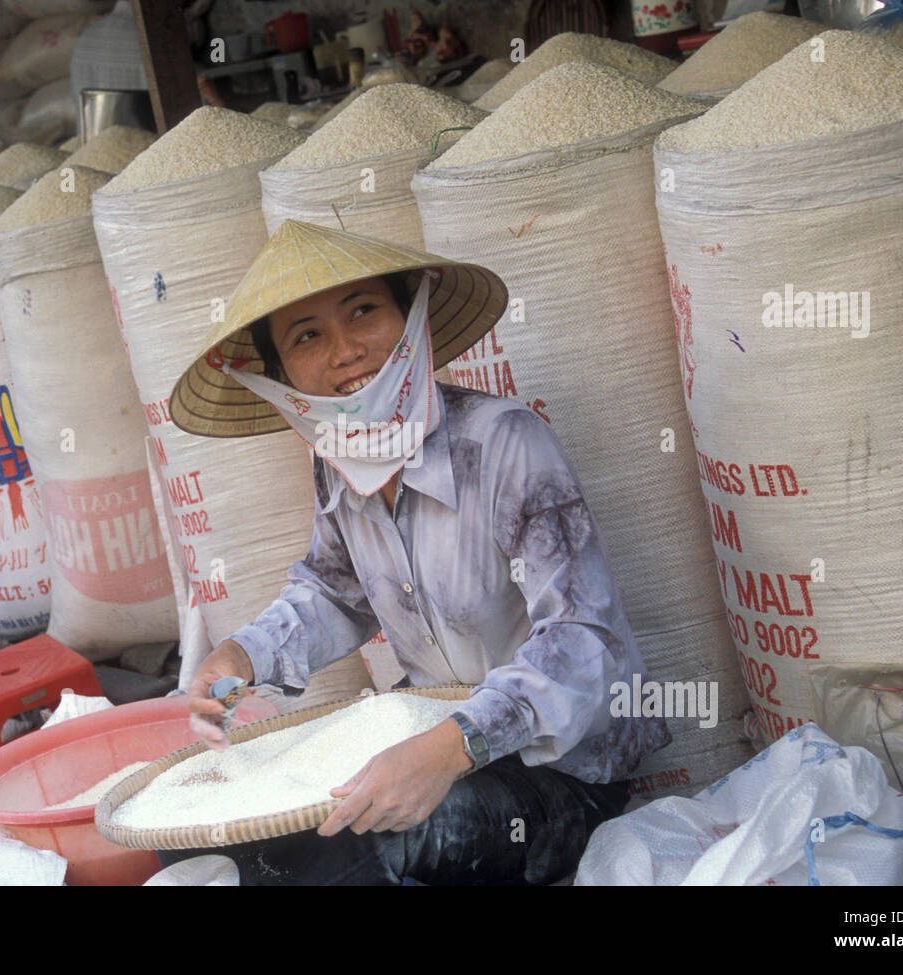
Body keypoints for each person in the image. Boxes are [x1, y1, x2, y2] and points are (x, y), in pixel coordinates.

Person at [163, 221, 671, 884]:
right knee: (222, 841)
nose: (346, 350)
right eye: (307, 335)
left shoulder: (503, 444)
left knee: (356, 849)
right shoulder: (339, 466)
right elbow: (332, 594)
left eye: (364, 311)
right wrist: (239, 657)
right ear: (284, 372)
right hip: (438, 736)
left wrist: (452, 746)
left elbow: (582, 637)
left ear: (410, 320)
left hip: (565, 772)